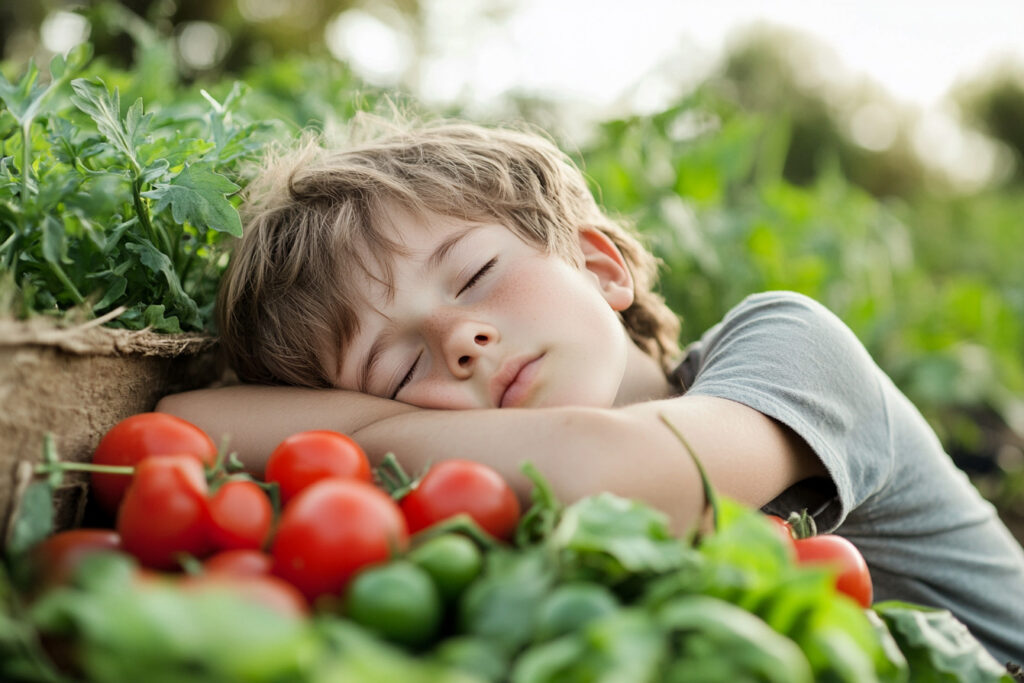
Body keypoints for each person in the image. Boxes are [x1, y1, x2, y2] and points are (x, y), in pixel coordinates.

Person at [157, 117, 1024, 665]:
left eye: (476, 274)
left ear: (600, 265)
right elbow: (183, 415)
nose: (459, 339)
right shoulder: (519, 531)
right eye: (400, 369)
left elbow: (607, 467)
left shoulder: (790, 342)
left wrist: (365, 426)